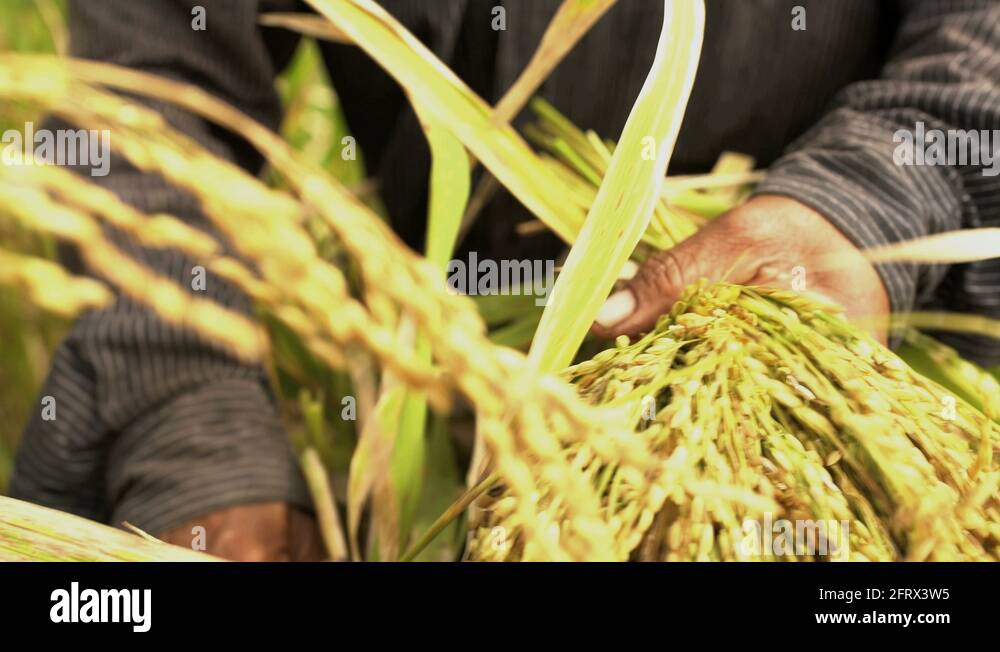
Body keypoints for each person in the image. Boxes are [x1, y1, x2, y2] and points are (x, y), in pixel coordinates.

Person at [10, 0, 1000, 560]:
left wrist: (861, 201)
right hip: (462, 365)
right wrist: (188, 402)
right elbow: (147, 91)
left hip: (879, 330)